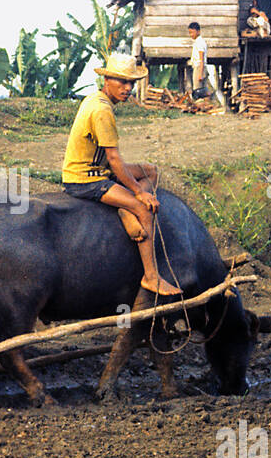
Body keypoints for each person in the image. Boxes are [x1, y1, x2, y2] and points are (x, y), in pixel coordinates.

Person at [61, 52, 181, 296]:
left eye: (131, 83)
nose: (128, 88)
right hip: (86, 178)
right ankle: (150, 276)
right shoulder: (102, 111)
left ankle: (127, 208)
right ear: (107, 81)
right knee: (146, 209)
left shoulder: (96, 100)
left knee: (150, 171)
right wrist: (139, 194)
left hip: (98, 170)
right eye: (122, 82)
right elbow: (115, 160)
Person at [187, 22, 210, 98]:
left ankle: (200, 105)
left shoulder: (200, 42)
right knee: (200, 90)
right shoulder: (197, 42)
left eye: (192, 32)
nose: (191, 35)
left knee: (198, 90)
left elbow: (201, 59)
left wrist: (200, 73)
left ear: (198, 31)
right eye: (189, 33)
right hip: (199, 67)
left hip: (199, 68)